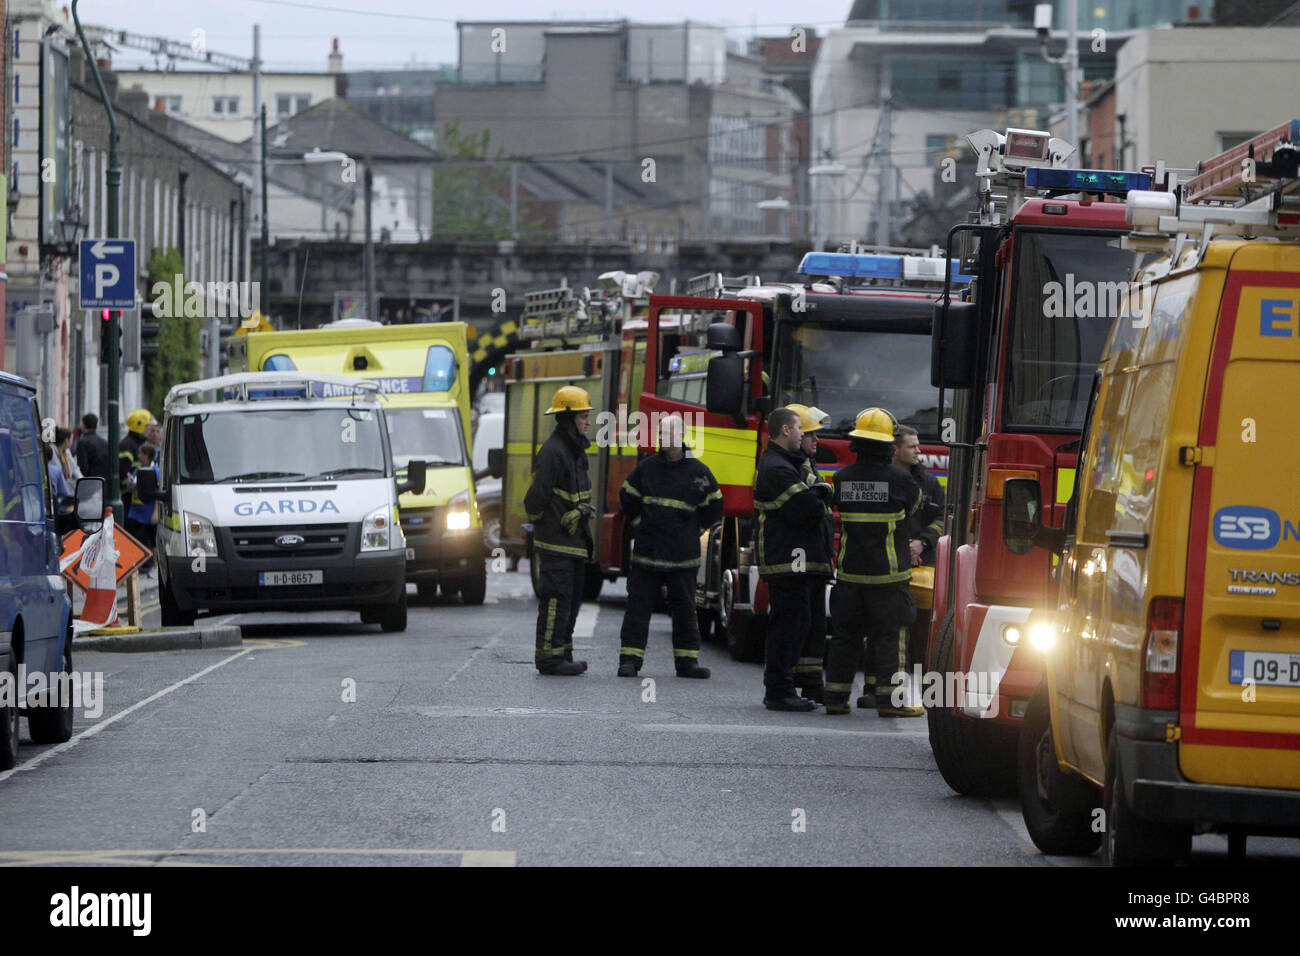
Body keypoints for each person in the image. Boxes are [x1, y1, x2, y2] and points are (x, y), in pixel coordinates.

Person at [824, 407, 927, 718]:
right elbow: (917, 505)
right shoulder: (899, 479)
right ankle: (889, 702)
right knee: (888, 637)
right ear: (887, 444)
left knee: (845, 635)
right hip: (888, 576)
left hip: (851, 575)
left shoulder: (840, 479)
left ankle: (836, 699)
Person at [616, 414, 722, 679]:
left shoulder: (699, 472)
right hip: (647, 555)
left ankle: (687, 663)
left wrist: (694, 530)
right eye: (661, 434)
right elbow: (627, 496)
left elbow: (715, 506)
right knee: (638, 610)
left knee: (685, 610)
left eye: (669, 434)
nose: (664, 439)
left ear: (682, 436)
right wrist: (642, 523)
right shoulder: (647, 468)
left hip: (682, 557)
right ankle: (630, 660)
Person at [753, 406, 833, 712]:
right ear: (786, 430)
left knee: (802, 623)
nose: (806, 435)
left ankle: (799, 685)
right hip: (787, 561)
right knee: (786, 626)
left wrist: (820, 492)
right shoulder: (776, 468)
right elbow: (807, 508)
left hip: (801, 561)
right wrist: (823, 492)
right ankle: (778, 690)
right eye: (801, 429)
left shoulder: (791, 463)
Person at [523, 385, 596, 676]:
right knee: (555, 600)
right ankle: (549, 658)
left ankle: (563, 652)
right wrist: (550, 523)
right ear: (567, 419)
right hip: (557, 543)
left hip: (574, 542)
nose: (588, 422)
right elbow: (536, 499)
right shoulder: (553, 452)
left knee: (571, 601)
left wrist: (577, 514)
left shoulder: (574, 450)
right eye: (583, 417)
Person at [885, 423, 946, 690]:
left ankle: (926, 689)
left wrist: (921, 543)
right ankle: (885, 688)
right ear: (895, 449)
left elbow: (943, 518)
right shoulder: (884, 480)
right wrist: (903, 548)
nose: (919, 451)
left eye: (918, 445)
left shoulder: (929, 483)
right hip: (890, 565)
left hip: (923, 569)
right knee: (887, 630)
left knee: (924, 632)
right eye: (912, 446)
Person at [784, 403, 834, 703]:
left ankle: (811, 682)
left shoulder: (806, 464)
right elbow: (808, 509)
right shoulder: (790, 468)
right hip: (799, 560)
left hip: (816, 558)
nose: (816, 440)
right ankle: (787, 684)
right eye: (810, 433)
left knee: (815, 624)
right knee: (798, 623)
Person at [126, 442, 160, 572]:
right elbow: (132, 487)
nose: (138, 455)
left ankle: (154, 565)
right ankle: (140, 564)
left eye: (140, 453)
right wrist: (130, 483)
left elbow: (157, 491)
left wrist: (155, 512)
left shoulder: (155, 471)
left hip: (148, 511)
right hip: (135, 511)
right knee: (136, 538)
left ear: (146, 455)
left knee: (151, 540)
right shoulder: (138, 470)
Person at [119, 407, 153, 513]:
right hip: (127, 498)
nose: (149, 429)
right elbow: (123, 474)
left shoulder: (137, 444)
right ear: (139, 426)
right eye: (147, 426)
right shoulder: (127, 445)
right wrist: (133, 483)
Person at [74, 413, 110, 484]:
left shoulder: (82, 443)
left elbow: (83, 467)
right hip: (105, 482)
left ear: (84, 425)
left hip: (91, 483)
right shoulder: (105, 442)